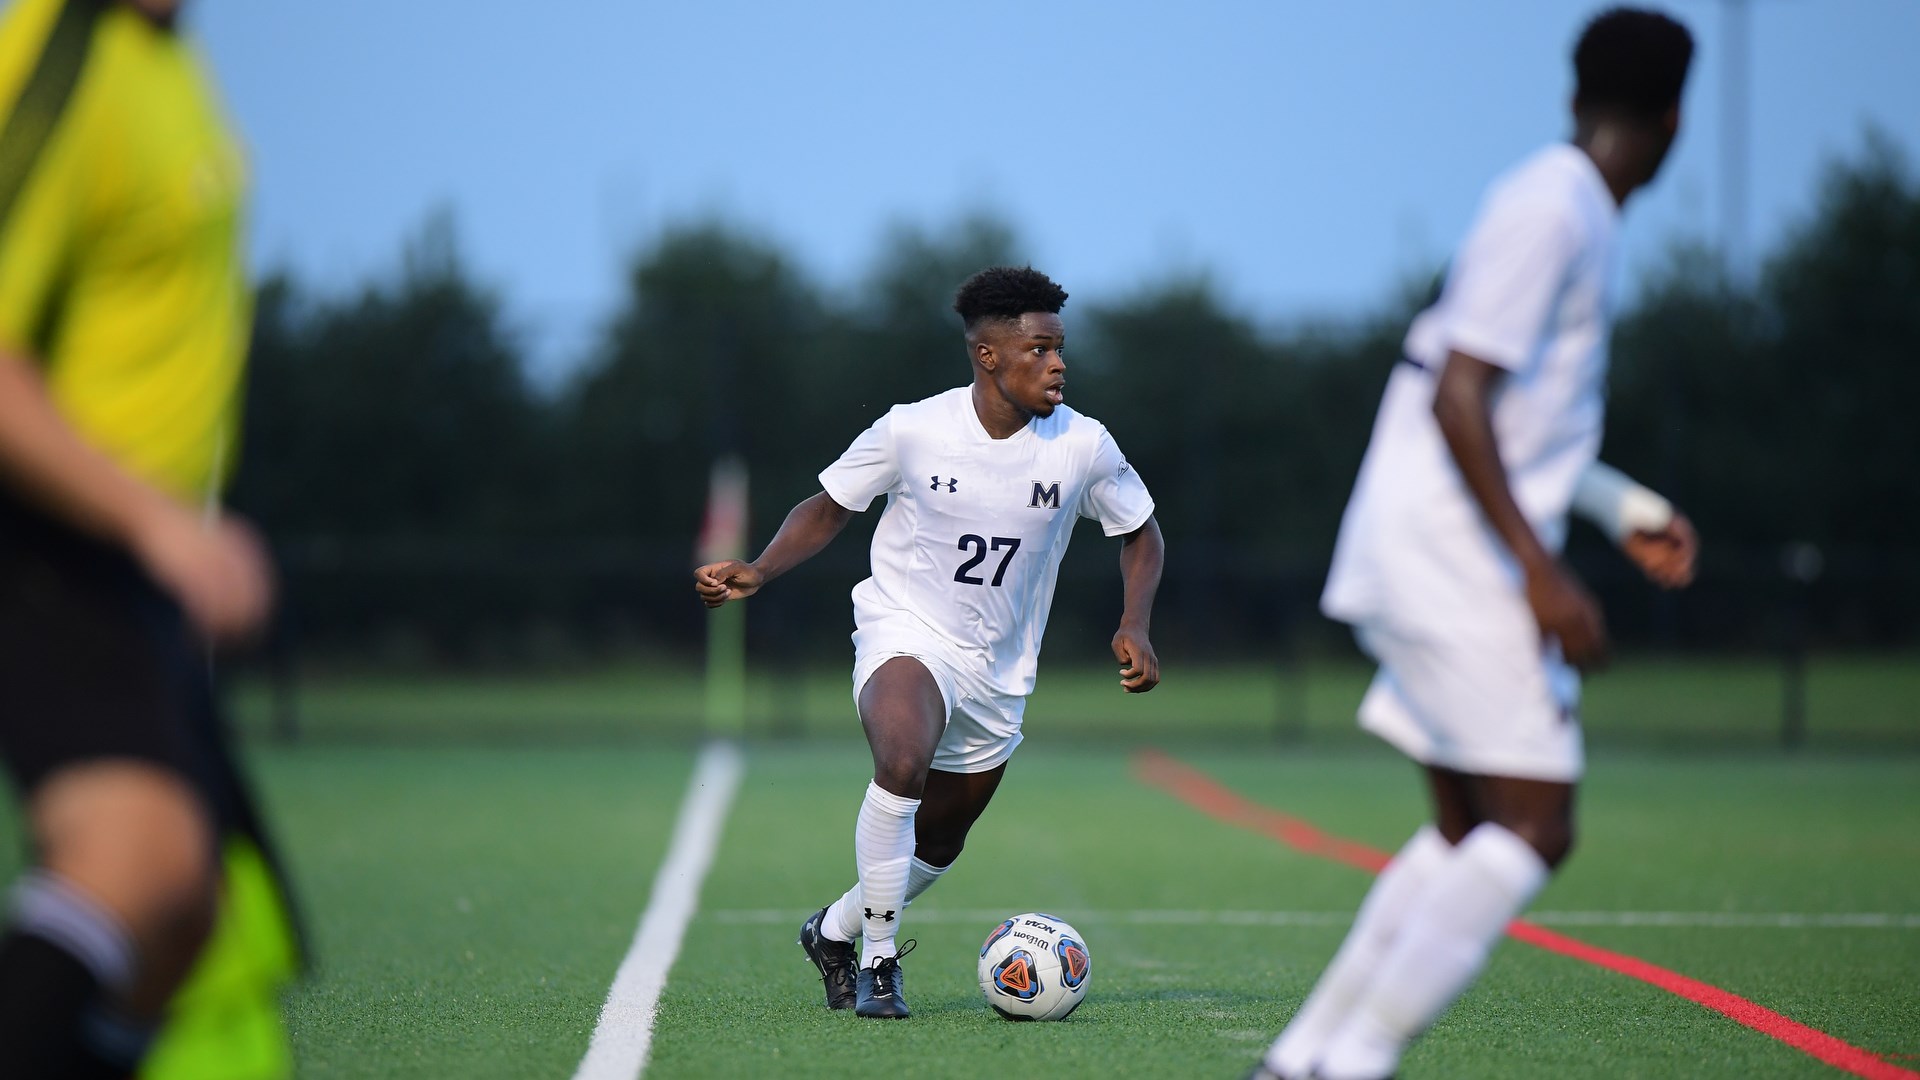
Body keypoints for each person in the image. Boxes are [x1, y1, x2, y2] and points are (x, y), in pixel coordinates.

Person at [1249, 9, 1698, 1079]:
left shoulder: (1563, 205)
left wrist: (1620, 507)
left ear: (1576, 93)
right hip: (1451, 551)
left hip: (1426, 536)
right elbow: (1460, 394)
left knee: (1464, 826)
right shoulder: (1558, 209)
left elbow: (1515, 422)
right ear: (1674, 118)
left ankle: (1305, 1058)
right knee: (1538, 823)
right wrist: (1541, 573)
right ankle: (1352, 1062)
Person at [694, 266, 1164, 1019]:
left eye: (1060, 348)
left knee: (939, 845)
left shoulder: (1083, 445)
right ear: (988, 356)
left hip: (1000, 672)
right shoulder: (913, 429)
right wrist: (759, 567)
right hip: (904, 632)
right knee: (902, 761)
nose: (1058, 364)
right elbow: (829, 505)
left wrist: (1133, 621)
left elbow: (1140, 532)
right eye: (1040, 349)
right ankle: (880, 965)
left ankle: (836, 930)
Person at [0, 0, 300, 1075]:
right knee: (139, 855)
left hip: (126, 559)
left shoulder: (166, 62)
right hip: (44, 532)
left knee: (180, 919)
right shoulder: (55, 53)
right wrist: (159, 523)